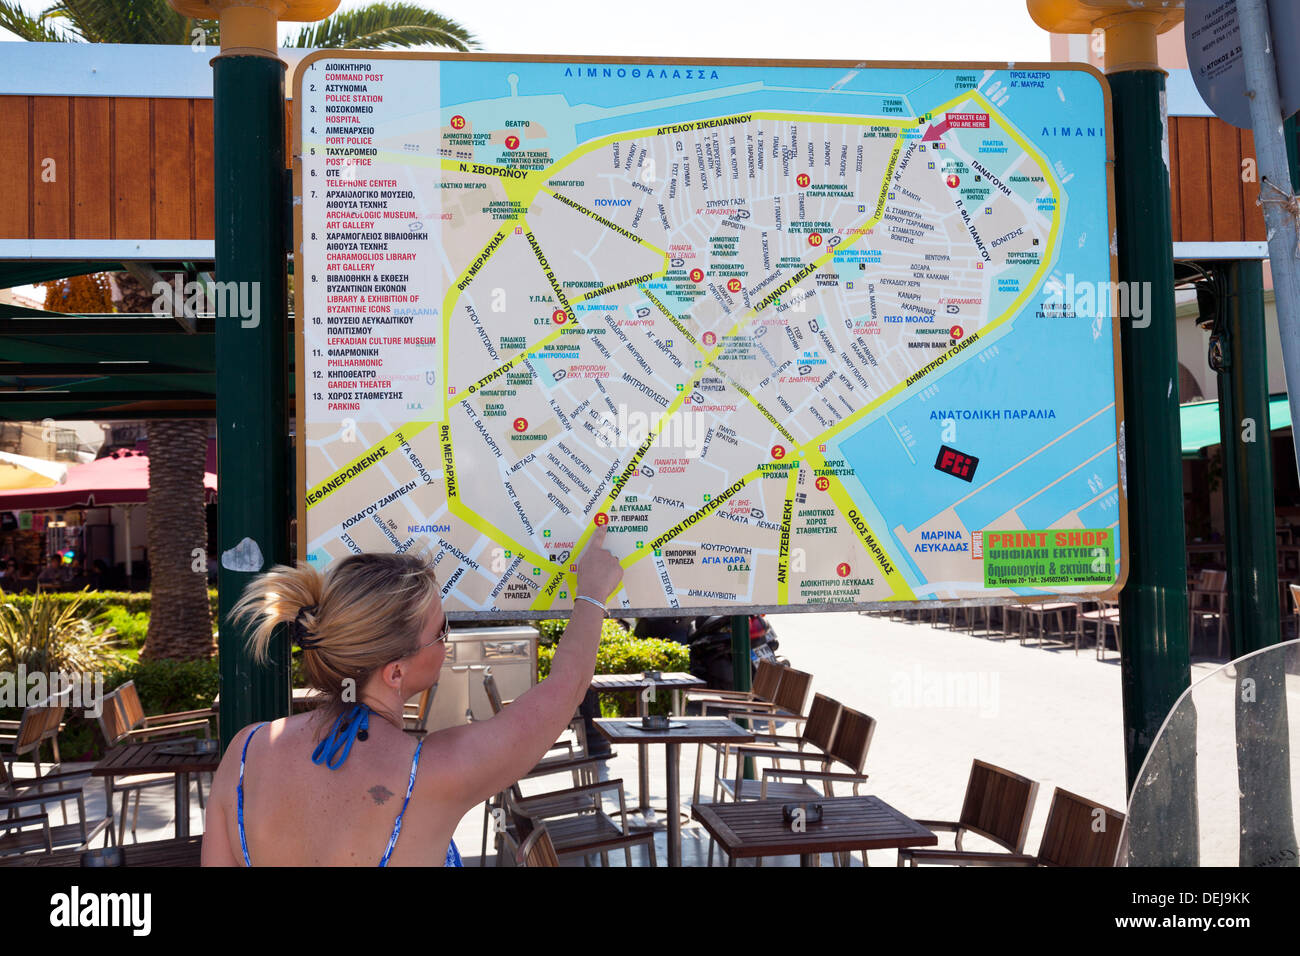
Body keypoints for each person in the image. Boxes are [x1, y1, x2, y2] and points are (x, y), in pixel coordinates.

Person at [201, 526, 623, 867]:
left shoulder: (245, 752)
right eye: (440, 632)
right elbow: (565, 688)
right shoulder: (434, 772)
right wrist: (591, 594)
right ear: (395, 671)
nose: (449, 639)